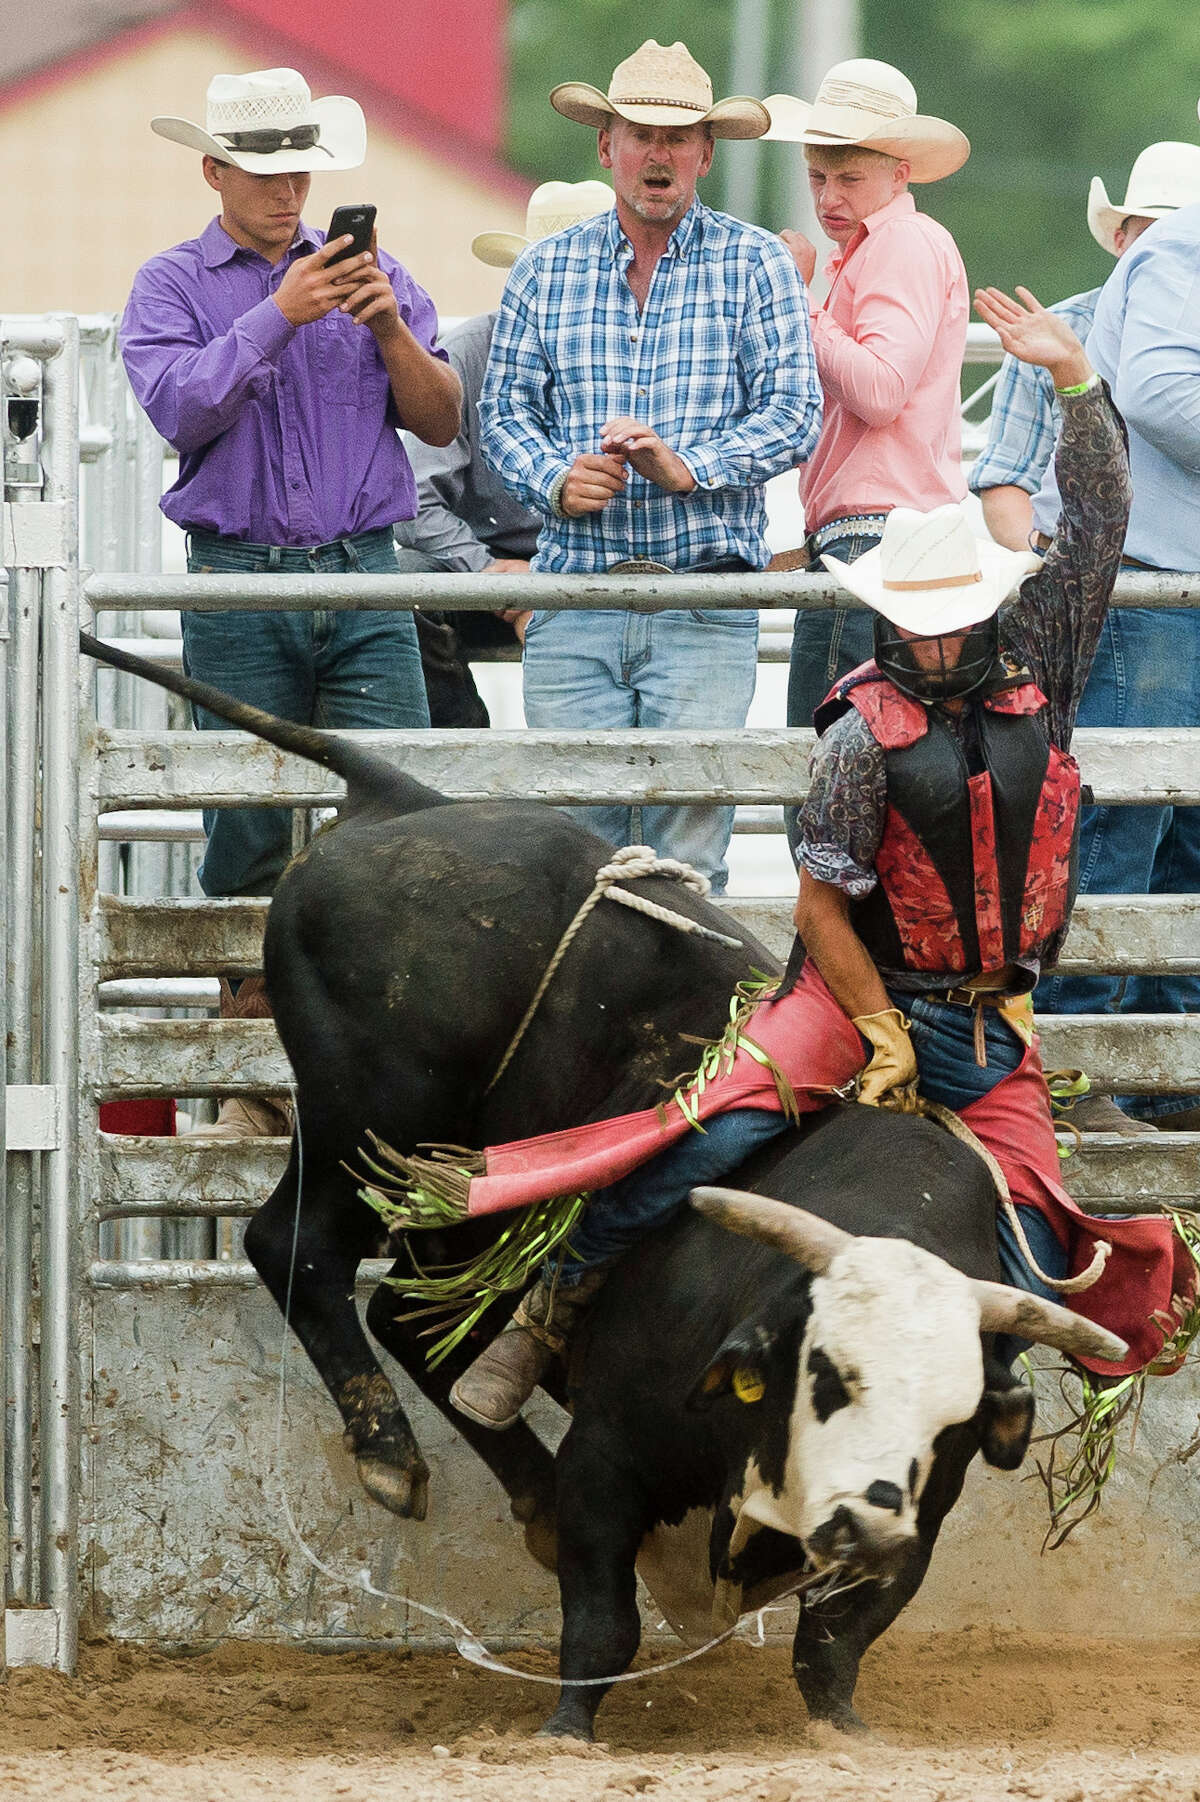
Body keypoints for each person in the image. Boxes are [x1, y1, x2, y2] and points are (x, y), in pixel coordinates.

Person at [450, 289, 1189, 1431]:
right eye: (918, 618)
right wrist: (881, 1027)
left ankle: (985, 1379)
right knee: (722, 1124)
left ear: (990, 613)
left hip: (989, 1020)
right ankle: (556, 1299)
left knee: (1042, 1229)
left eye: (954, 617)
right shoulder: (858, 736)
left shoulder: (1044, 667)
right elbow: (821, 903)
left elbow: (1094, 525)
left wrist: (1079, 388)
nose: (936, 638)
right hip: (857, 1000)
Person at [121, 67, 461, 1138]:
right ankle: (249, 1075)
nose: (285, 188)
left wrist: (389, 331)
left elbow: (443, 417)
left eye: (296, 168)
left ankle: (384, 1050)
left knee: (403, 817)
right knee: (248, 830)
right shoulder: (171, 283)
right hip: (243, 576)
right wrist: (278, 315)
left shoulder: (378, 276)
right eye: (263, 169)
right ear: (215, 170)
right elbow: (179, 407)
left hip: (361, 569)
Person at [478, 39, 822, 894]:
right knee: (573, 851)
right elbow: (502, 414)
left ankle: (681, 1030)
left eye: (678, 138)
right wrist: (556, 478)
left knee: (689, 858)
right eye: (640, 134)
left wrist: (692, 468)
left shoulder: (757, 263)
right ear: (607, 148)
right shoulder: (543, 269)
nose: (658, 155)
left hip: (701, 597)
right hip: (577, 596)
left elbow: (795, 413)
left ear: (707, 152)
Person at [1034, 178, 1200, 1132]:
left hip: (1172, 587)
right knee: (1121, 834)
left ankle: (1165, 1080)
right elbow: (1163, 387)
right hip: (1157, 588)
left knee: (1175, 839)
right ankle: (1083, 1077)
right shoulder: (1185, 249)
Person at [763, 59, 971, 725]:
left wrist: (797, 301)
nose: (829, 197)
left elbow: (880, 390)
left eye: (850, 178)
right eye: (818, 176)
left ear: (897, 173)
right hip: (896, 538)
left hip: (870, 540)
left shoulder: (900, 241)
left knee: (822, 758)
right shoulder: (894, 243)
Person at [395, 180, 615, 726]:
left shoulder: (635, 356)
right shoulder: (470, 352)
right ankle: (462, 751)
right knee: (403, 585)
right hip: (483, 565)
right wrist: (494, 575)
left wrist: (547, 585)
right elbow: (416, 500)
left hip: (595, 574)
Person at [970, 140, 1200, 554]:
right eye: (1153, 237)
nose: (1166, 256)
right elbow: (1007, 480)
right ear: (1119, 241)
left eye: (1178, 239)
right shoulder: (1054, 332)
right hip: (1107, 577)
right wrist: (1052, 570)